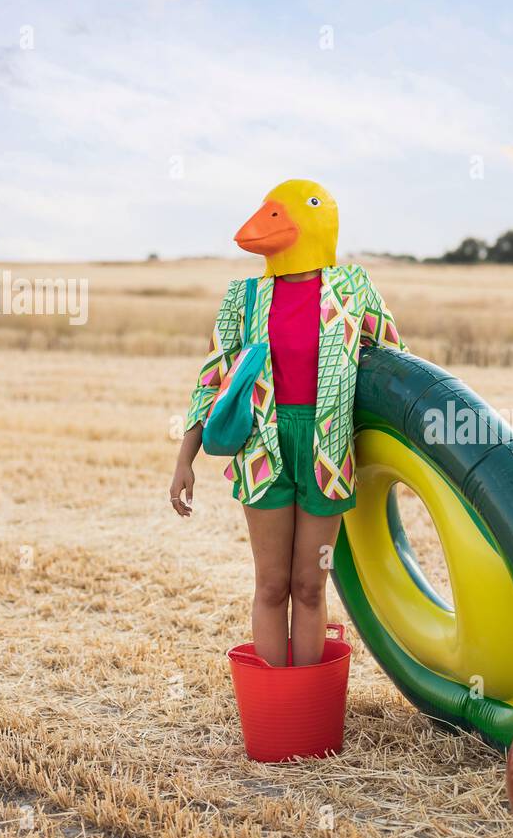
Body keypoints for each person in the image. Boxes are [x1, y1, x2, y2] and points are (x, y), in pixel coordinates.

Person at [170, 180, 406, 666]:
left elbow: (393, 365)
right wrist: (184, 460)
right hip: (261, 450)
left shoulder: (352, 288)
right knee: (273, 585)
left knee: (310, 585)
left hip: (329, 451)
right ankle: (278, 710)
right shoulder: (245, 295)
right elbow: (213, 375)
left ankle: (307, 709)